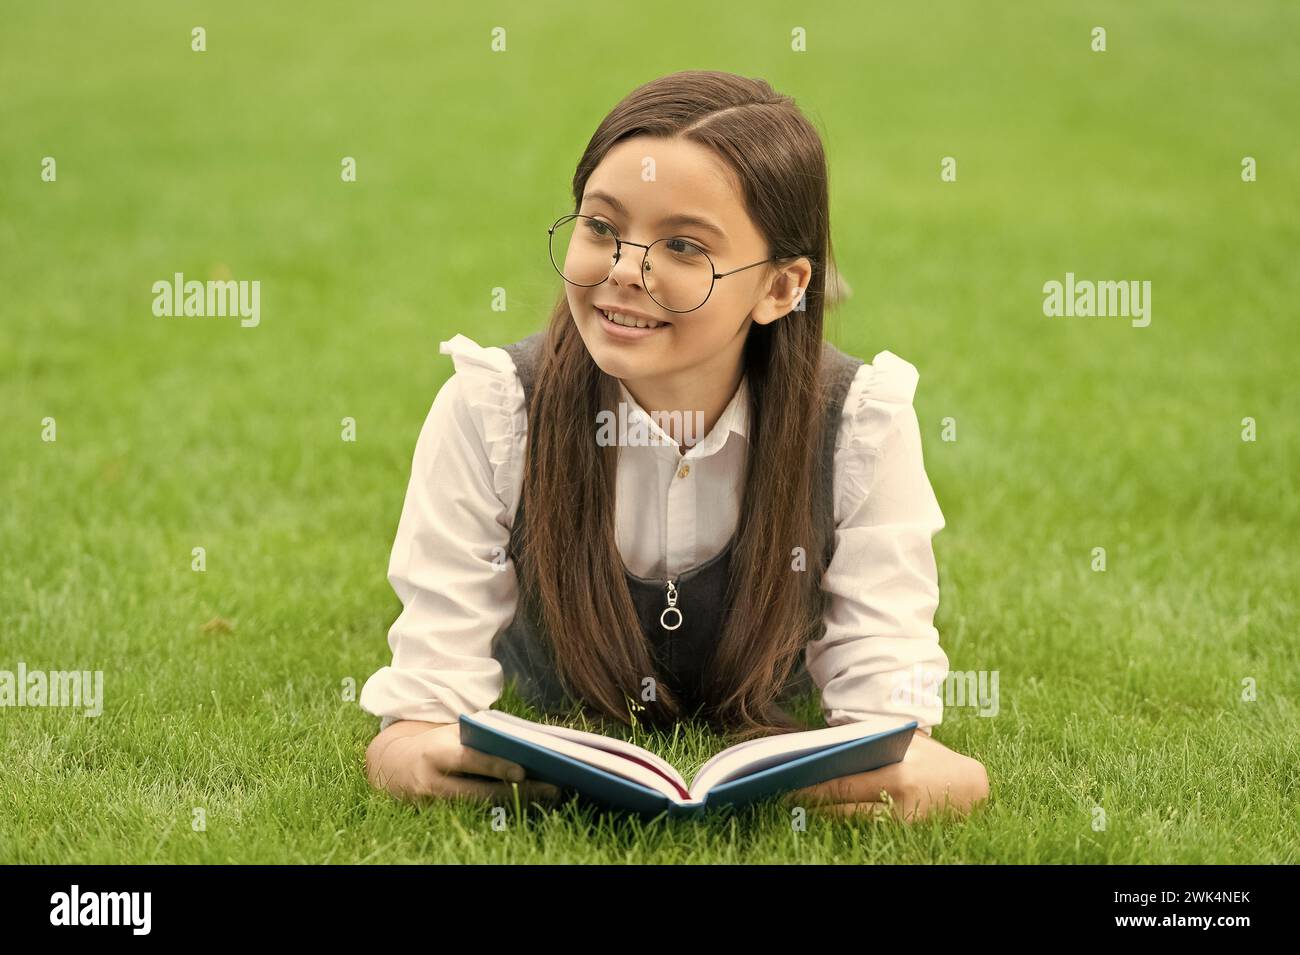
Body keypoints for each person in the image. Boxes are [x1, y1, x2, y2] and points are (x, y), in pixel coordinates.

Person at [361, 70, 989, 822]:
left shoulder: (860, 420)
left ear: (784, 288)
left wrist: (926, 771)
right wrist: (418, 753)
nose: (624, 272)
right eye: (601, 228)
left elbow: (896, 722)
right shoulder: (492, 406)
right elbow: (419, 713)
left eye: (683, 245)